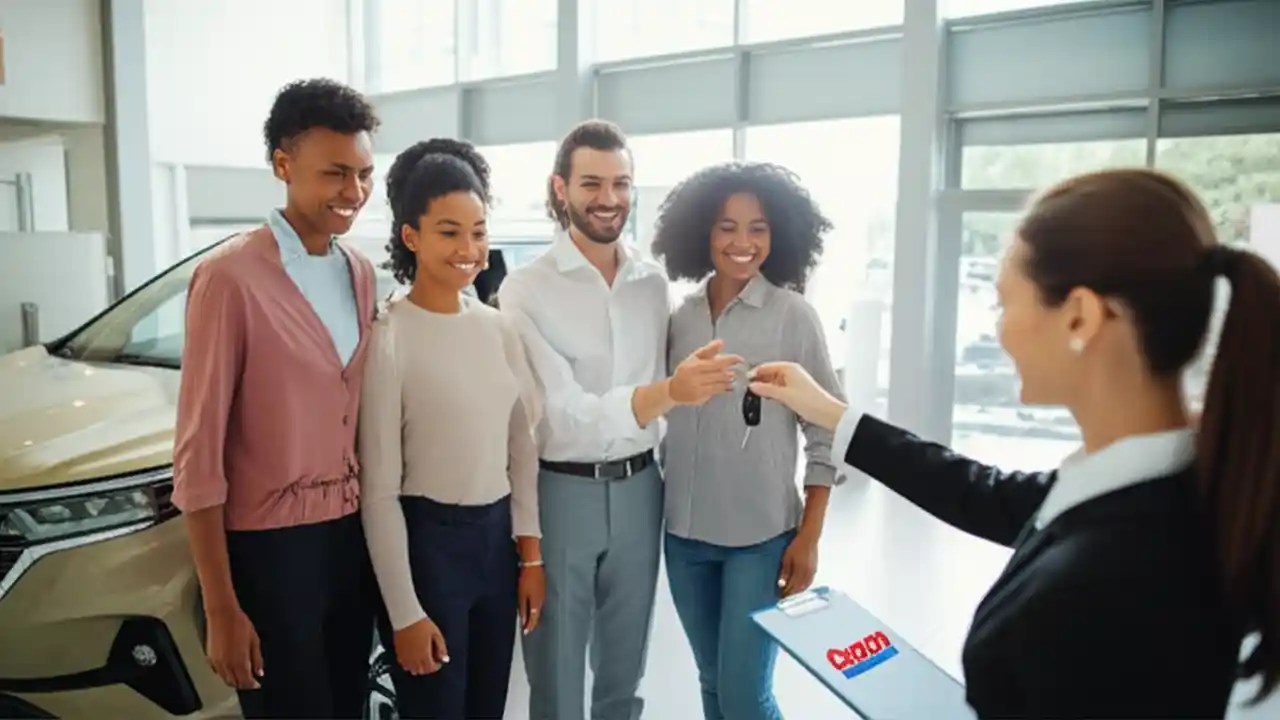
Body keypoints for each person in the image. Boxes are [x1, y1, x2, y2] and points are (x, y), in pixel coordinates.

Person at [748, 168, 1280, 718]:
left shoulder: (1097, 584)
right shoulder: (1181, 489)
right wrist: (828, 411)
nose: (1000, 328)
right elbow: (987, 494)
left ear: (1080, 316)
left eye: (1006, 301)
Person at [497, 119, 743, 720]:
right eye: (591, 183)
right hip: (561, 491)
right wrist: (667, 393)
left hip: (641, 490)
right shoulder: (524, 290)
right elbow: (560, 412)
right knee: (554, 678)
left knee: (625, 674)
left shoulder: (652, 283)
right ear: (560, 188)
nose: (608, 198)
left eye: (621, 183)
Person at [172, 78, 381, 719]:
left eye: (365, 174)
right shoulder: (229, 279)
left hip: (352, 541)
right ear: (283, 165)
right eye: (336, 173)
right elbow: (197, 458)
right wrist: (221, 606)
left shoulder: (361, 273)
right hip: (269, 553)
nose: (354, 193)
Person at [358, 138, 544, 720]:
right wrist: (405, 612)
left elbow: (522, 445)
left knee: (487, 708)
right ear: (411, 237)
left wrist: (530, 557)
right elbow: (380, 492)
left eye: (479, 231)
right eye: (449, 231)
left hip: (495, 547)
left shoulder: (497, 327)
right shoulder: (389, 335)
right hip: (427, 548)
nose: (469, 249)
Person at [650, 162, 844, 720]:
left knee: (743, 695)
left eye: (757, 227)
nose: (742, 242)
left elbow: (825, 428)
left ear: (777, 234)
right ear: (702, 234)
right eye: (726, 226)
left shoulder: (793, 316)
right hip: (684, 538)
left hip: (759, 541)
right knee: (712, 682)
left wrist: (809, 536)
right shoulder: (679, 318)